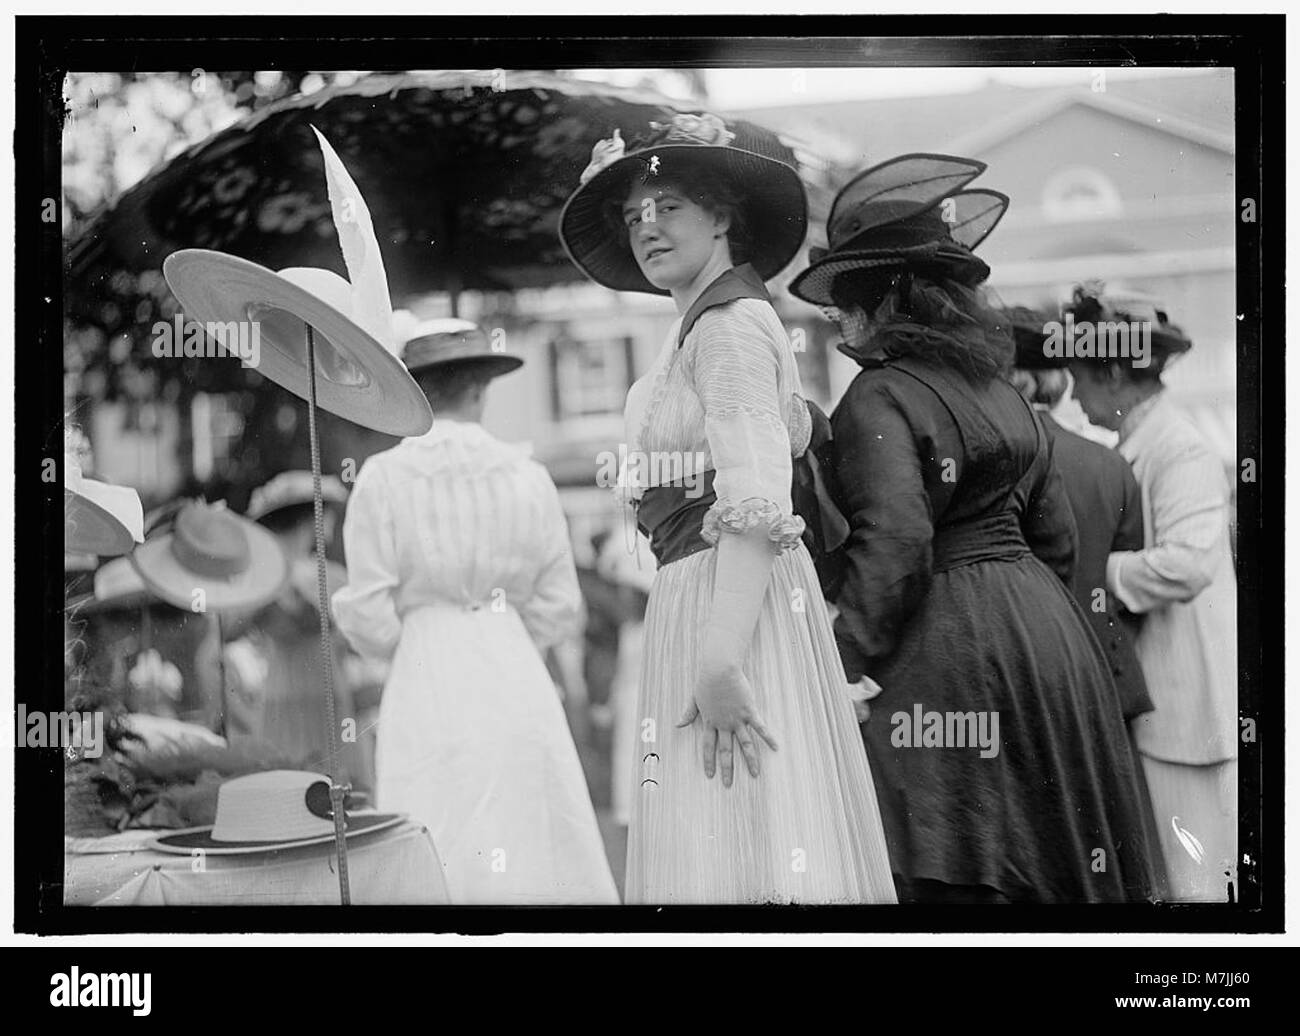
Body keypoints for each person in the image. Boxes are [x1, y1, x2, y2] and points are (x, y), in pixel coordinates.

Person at [791, 154, 1157, 904]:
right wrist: (1028, 620)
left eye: (847, 293)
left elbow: (895, 542)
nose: (835, 313)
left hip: (949, 654)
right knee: (1055, 858)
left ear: (888, 292)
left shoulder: (879, 395)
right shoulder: (1006, 393)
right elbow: (1055, 537)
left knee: (964, 870)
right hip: (1050, 643)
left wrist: (838, 660)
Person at [559, 112, 896, 903]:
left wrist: (717, 660)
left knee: (757, 834)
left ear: (721, 217)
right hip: (698, 597)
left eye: (669, 206)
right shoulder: (690, 342)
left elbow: (754, 499)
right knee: (722, 840)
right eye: (633, 215)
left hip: (734, 604)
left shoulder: (731, 329)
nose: (646, 225)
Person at [331, 319, 618, 905]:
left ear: (412, 391)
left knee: (436, 812)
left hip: (426, 662)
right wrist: (503, 633)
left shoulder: (384, 478)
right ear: (481, 389)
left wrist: (413, 640)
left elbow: (365, 609)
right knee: (525, 817)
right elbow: (560, 604)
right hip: (509, 658)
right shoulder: (527, 476)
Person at [1064, 285, 1238, 903]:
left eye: (1080, 376)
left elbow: (1189, 564)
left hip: (1186, 710)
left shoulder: (1178, 449)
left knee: (1196, 886)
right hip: (1170, 707)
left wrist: (1094, 572)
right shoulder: (1146, 446)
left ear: (1112, 372)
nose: (1075, 393)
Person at [1006, 306, 1167, 899]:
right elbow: (1127, 587)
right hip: (1105, 680)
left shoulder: (997, 465)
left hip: (1023, 690)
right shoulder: (1109, 463)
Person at [236, 471, 369, 790]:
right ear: (313, 519)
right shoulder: (322, 576)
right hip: (313, 690)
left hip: (294, 691)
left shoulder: (268, 578)